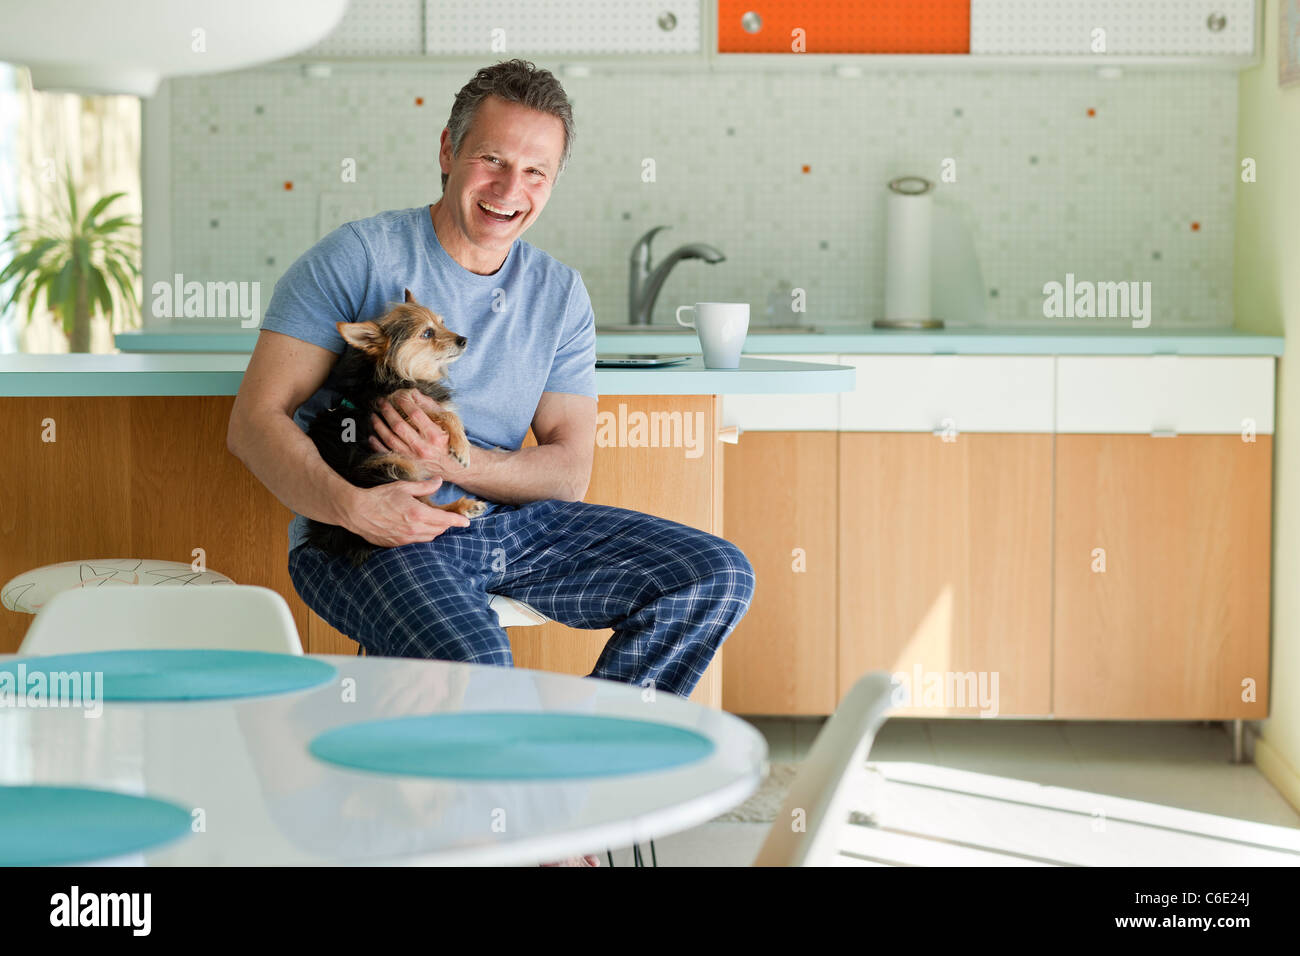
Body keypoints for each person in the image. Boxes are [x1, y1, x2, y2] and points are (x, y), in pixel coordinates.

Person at [227, 57, 755, 798]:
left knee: (714, 575)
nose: (512, 190)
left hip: (508, 526)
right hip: (370, 531)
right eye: (493, 160)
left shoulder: (559, 293)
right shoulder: (361, 257)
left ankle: (569, 793)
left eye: (537, 171)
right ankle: (513, 826)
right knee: (476, 662)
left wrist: (454, 463)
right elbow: (254, 423)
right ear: (448, 152)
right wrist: (355, 507)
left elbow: (568, 470)